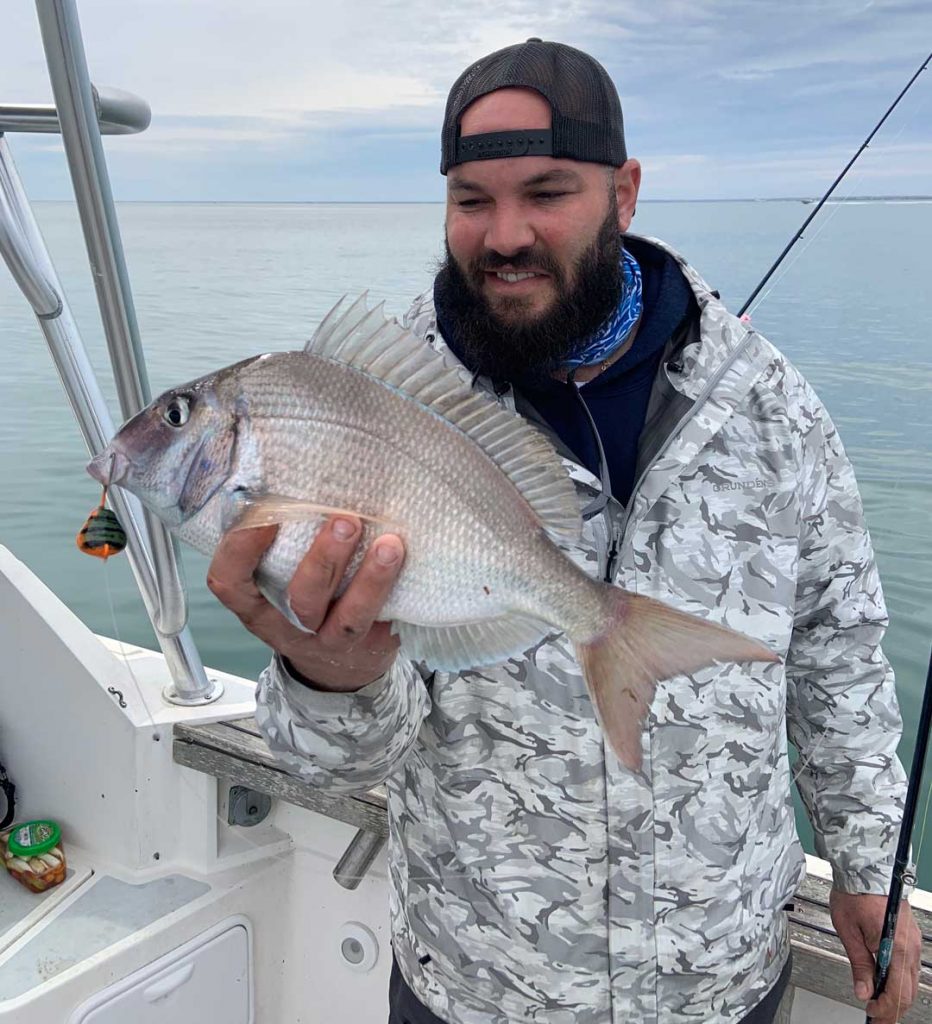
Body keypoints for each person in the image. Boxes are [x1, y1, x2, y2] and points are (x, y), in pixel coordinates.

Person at [207, 39, 923, 1024]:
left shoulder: (765, 406)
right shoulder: (371, 409)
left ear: (622, 193)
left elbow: (837, 658)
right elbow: (340, 768)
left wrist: (865, 857)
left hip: (720, 987)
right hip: (474, 986)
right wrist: (327, 674)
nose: (504, 234)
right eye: (471, 199)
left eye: (545, 192)